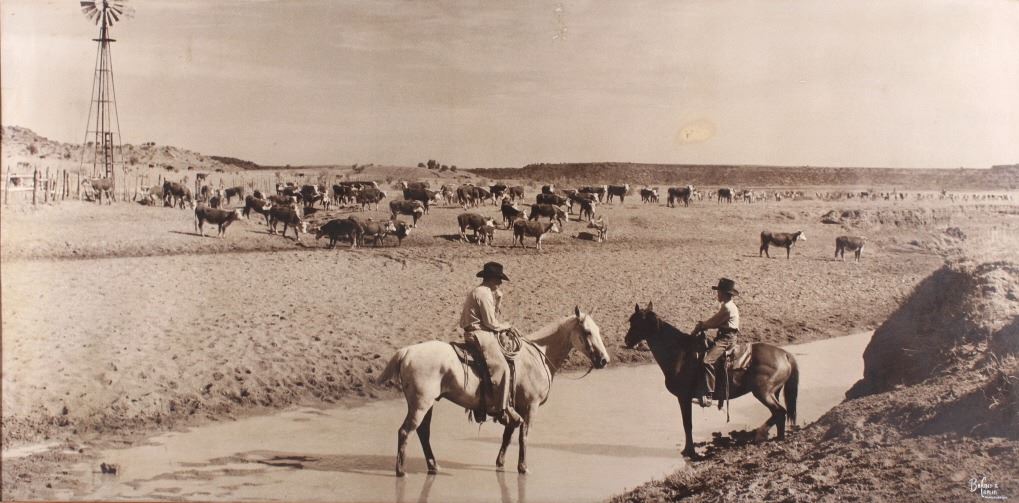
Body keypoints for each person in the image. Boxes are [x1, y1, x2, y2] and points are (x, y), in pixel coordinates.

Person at [459, 262, 524, 426]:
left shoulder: (484, 292)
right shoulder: (483, 293)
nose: (500, 283)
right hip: (478, 333)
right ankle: (501, 409)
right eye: (498, 280)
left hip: (477, 330)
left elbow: (491, 318)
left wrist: (499, 300)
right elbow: (491, 323)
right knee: (503, 367)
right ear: (492, 279)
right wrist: (508, 325)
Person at [693, 277, 741, 407]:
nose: (717, 294)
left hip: (727, 339)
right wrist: (704, 325)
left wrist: (702, 325)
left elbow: (714, 322)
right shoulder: (727, 306)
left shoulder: (727, 308)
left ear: (725, 294)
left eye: (719, 292)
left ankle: (708, 394)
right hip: (724, 336)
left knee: (707, 360)